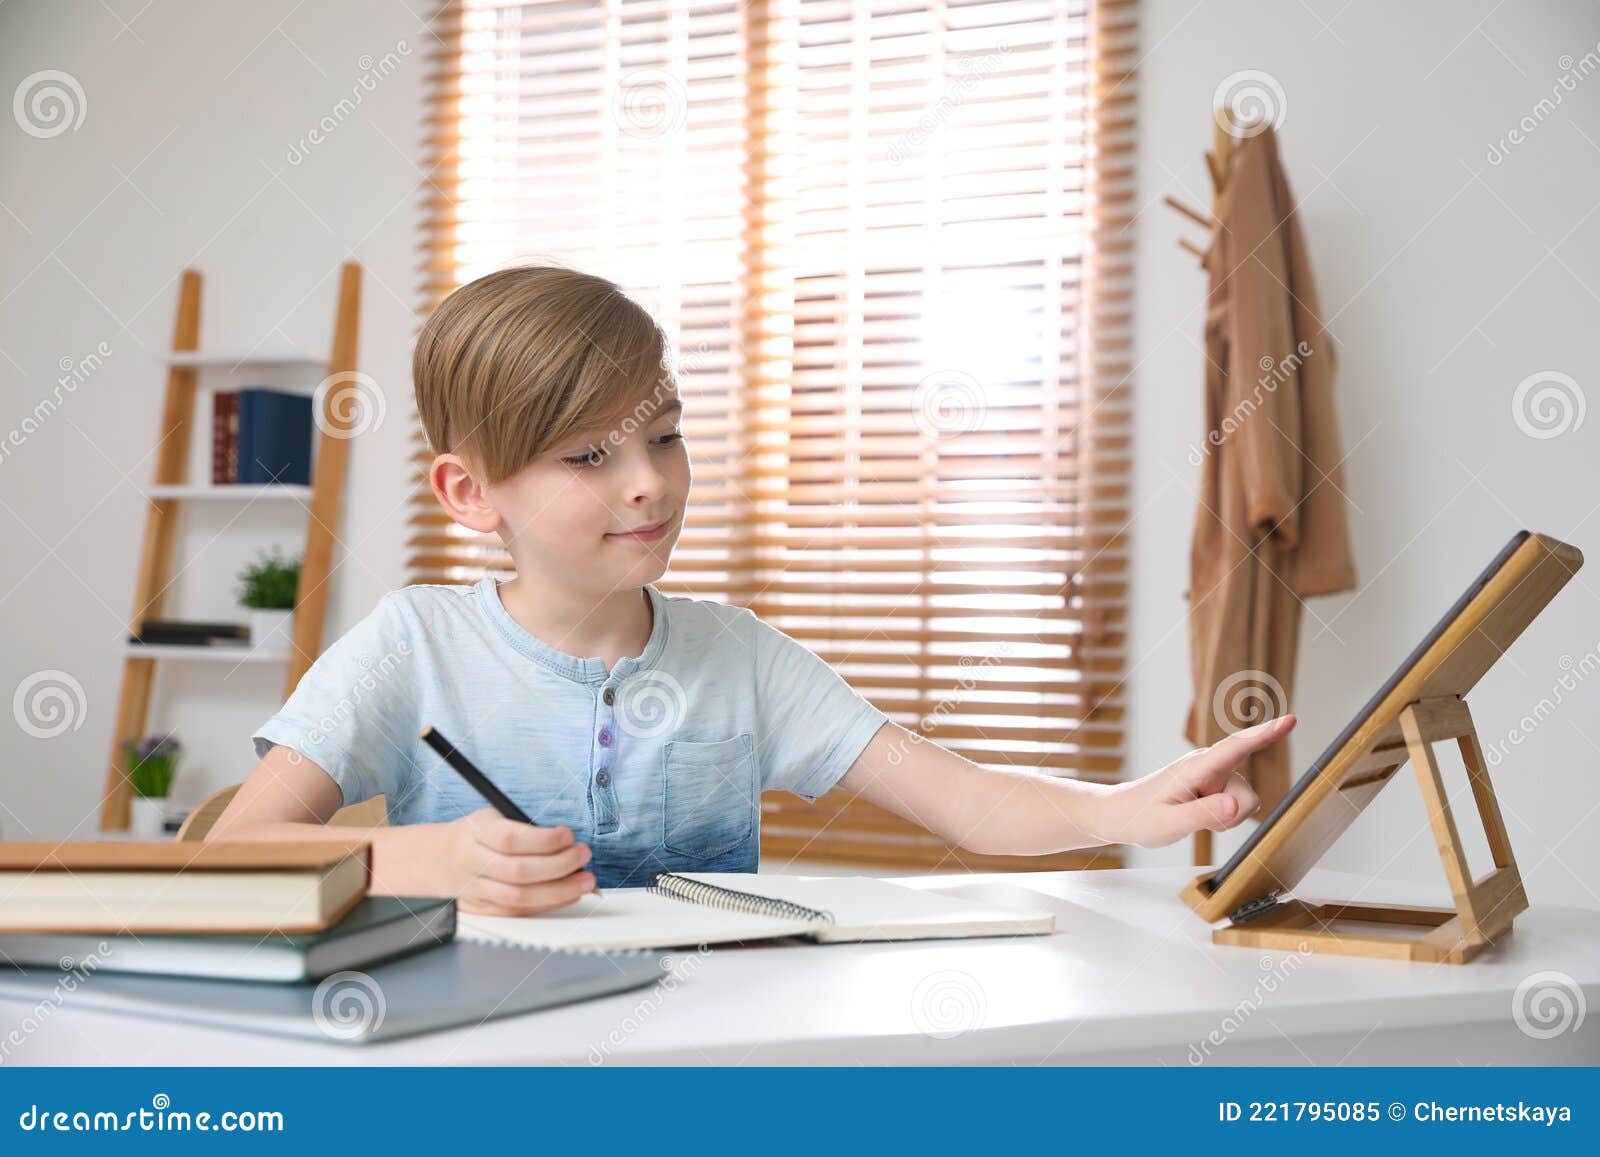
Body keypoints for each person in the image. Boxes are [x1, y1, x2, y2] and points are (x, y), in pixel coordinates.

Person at [209, 265, 1288, 916]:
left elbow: (963, 800)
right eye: (587, 456)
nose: (648, 481)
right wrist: (427, 858)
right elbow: (233, 855)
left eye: (665, 435)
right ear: (468, 491)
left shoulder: (742, 657)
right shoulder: (413, 647)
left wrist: (1119, 807)